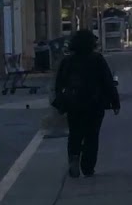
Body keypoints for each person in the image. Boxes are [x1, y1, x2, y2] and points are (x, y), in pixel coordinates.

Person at [51, 29, 121, 178]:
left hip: (74, 104)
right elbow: (108, 82)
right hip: (94, 104)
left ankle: (74, 158)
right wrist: (115, 102)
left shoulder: (67, 61)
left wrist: (60, 102)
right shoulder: (97, 59)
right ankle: (88, 167)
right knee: (92, 136)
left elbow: (59, 84)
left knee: (75, 133)